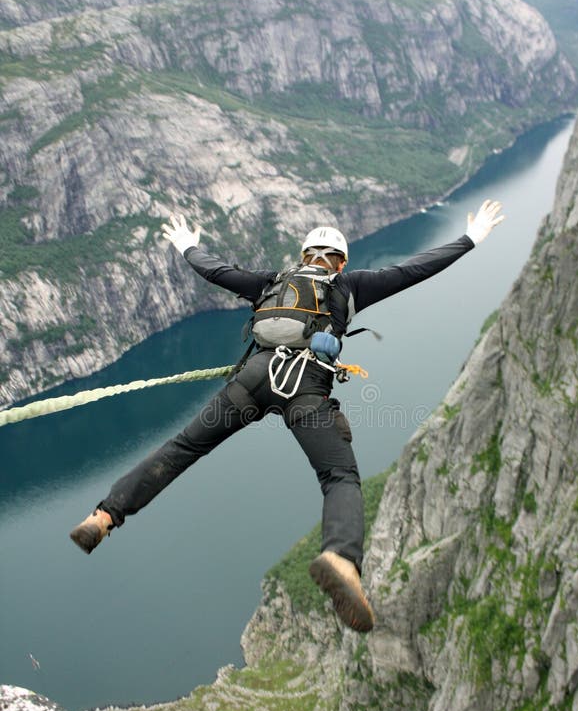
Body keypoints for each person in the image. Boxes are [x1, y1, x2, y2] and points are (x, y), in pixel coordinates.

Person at [70, 200, 504, 633]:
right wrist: (471, 238)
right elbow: (415, 269)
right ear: (341, 261)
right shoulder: (350, 285)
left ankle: (105, 516)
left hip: (250, 382)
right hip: (304, 389)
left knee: (182, 448)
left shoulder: (271, 283)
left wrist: (186, 244)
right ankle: (341, 558)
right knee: (338, 476)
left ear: (304, 256)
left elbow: (217, 271)